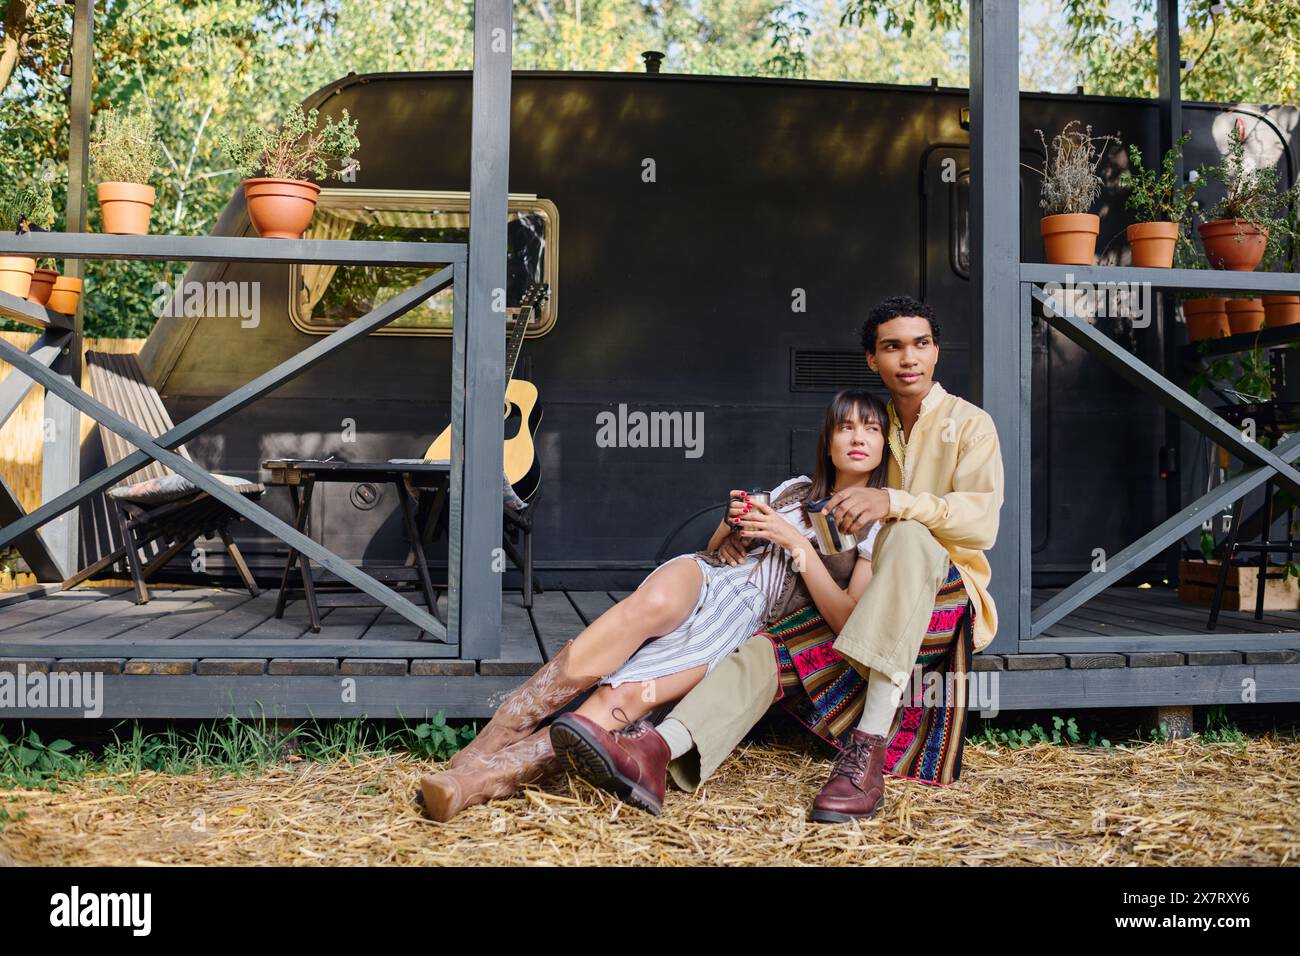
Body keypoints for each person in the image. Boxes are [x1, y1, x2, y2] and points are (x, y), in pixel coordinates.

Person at [551, 294, 1004, 823]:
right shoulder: (873, 424)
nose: (909, 358)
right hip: (870, 596)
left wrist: (893, 501)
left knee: (905, 535)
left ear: (936, 351)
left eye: (921, 344)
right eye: (893, 347)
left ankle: (868, 747)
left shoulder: (970, 425)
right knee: (769, 649)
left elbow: (981, 522)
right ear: (872, 359)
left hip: (946, 599)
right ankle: (656, 752)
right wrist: (743, 530)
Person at [417, 389, 891, 821]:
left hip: (745, 609)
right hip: (709, 573)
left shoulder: (876, 528)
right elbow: (719, 542)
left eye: (871, 429)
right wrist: (731, 528)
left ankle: (474, 780)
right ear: (827, 440)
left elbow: (848, 618)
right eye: (845, 426)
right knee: (650, 605)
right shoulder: (796, 489)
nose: (857, 438)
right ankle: (493, 738)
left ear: (885, 445)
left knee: (624, 692)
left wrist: (798, 546)